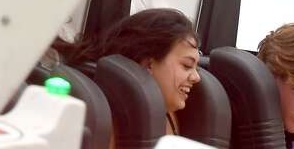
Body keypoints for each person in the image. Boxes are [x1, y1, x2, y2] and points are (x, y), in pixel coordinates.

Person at [53, 7, 201, 141]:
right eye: (187, 66)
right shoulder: (105, 123)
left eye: (196, 69)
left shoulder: (171, 116)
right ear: (148, 64)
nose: (196, 77)